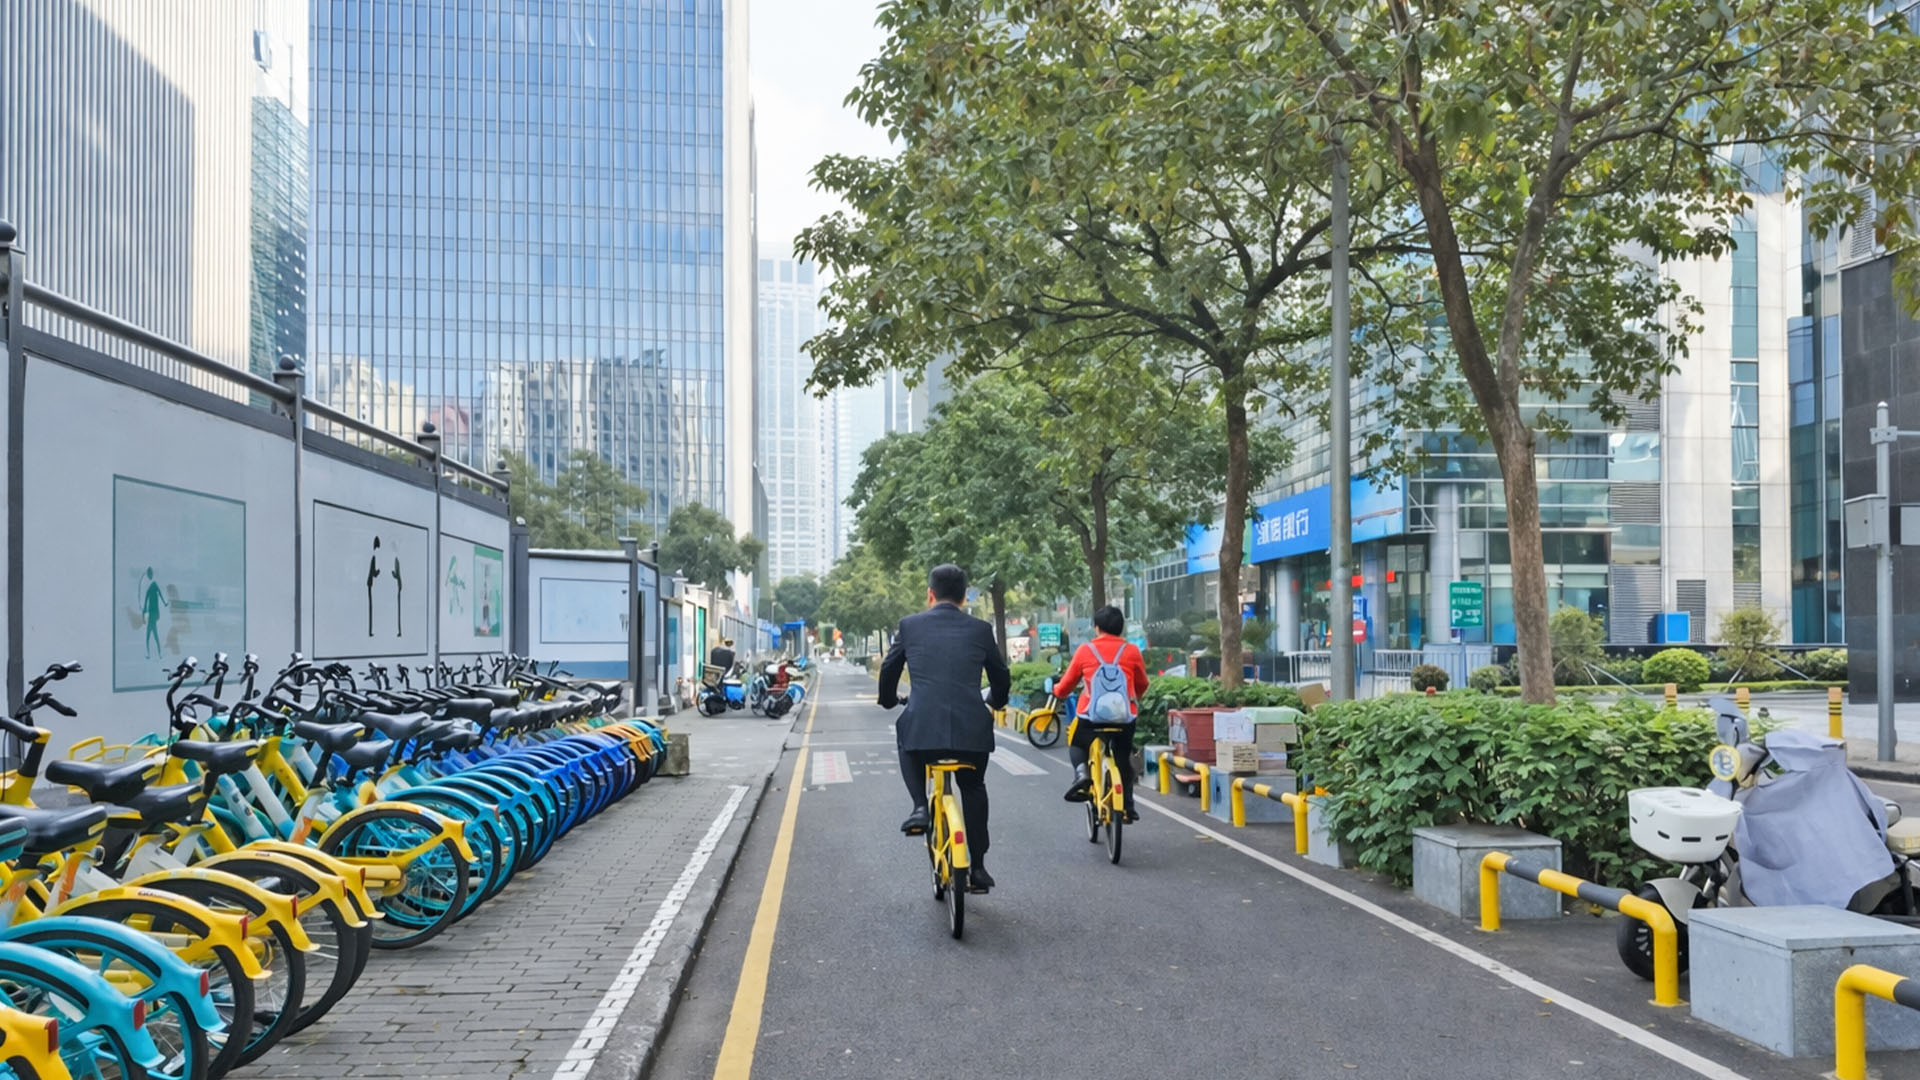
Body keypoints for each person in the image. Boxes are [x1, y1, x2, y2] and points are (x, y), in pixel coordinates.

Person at [878, 564, 1010, 892]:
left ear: (930, 594)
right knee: (974, 787)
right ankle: (978, 867)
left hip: (924, 728)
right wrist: (997, 700)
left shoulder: (909, 626)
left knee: (905, 736)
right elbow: (1001, 675)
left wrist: (887, 699)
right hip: (973, 731)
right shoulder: (981, 629)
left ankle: (920, 806)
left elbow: (889, 669)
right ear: (965, 597)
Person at [1052, 605, 1149, 822]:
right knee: (1122, 756)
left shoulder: (1085, 650)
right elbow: (1143, 684)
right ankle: (1127, 807)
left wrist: (1057, 690)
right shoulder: (1131, 650)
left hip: (1090, 716)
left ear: (1097, 628)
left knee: (1077, 743)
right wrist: (1133, 700)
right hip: (1125, 717)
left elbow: (1067, 685)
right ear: (1120, 628)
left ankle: (1082, 775)